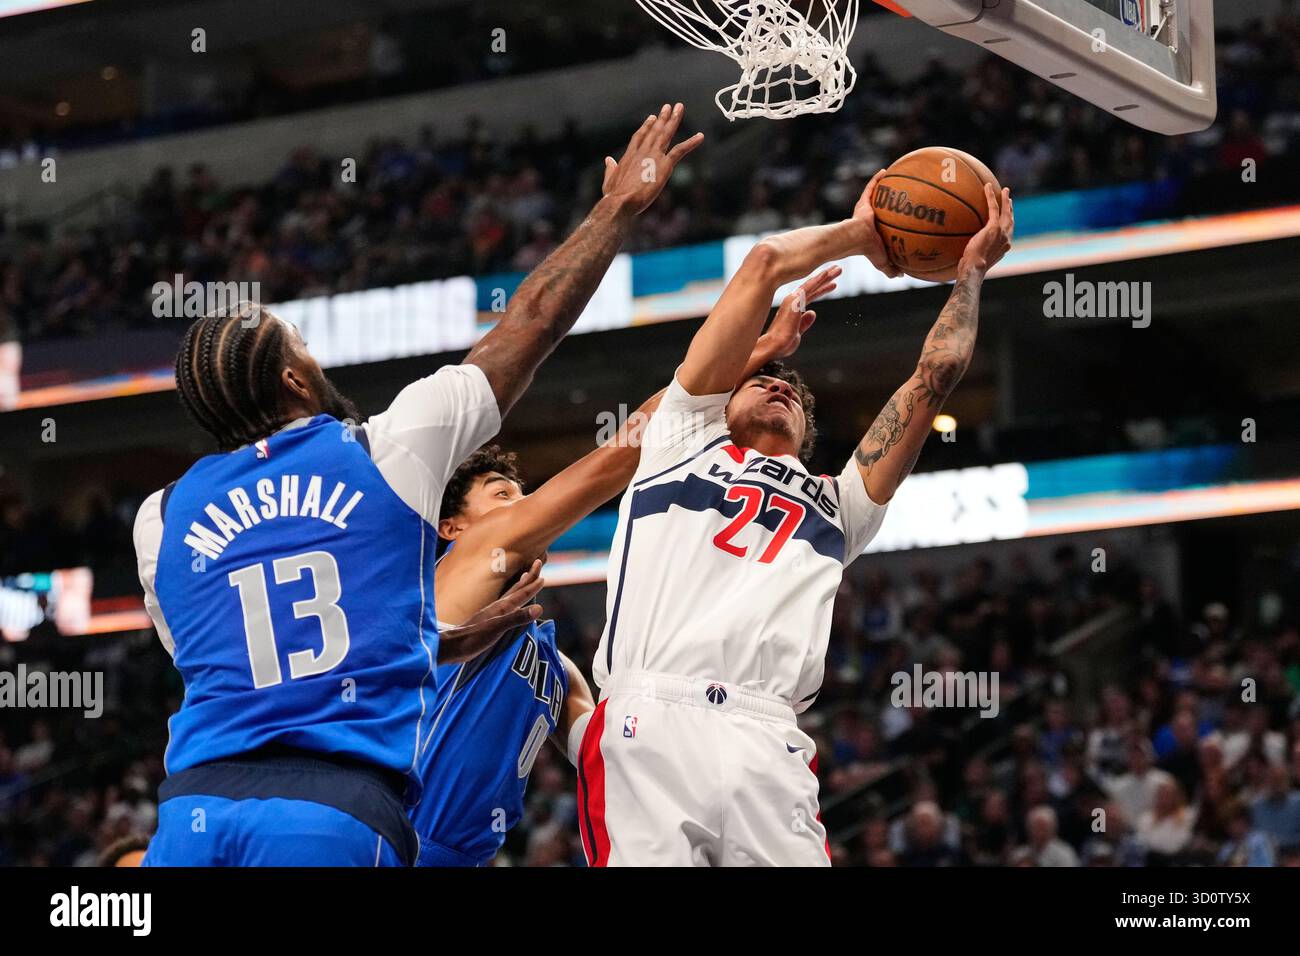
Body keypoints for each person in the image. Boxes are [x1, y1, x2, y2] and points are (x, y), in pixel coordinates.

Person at [131, 105, 702, 866]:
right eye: (305, 344)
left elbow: (233, 658)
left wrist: (447, 639)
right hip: (328, 810)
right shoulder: (385, 449)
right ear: (297, 380)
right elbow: (529, 324)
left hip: (192, 811)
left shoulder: (159, 519)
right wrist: (617, 208)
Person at [577, 171, 1015, 866]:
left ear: (808, 430)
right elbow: (761, 267)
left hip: (768, 738)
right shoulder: (676, 439)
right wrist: (860, 236)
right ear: (717, 402)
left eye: (794, 394)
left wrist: (970, 273)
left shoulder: (842, 505)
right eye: (762, 378)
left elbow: (934, 377)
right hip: (652, 717)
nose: (781, 383)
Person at [413, 269, 841, 866]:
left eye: (523, 492)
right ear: (452, 528)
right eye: (501, 495)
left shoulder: (544, 652)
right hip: (401, 831)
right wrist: (756, 349)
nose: (525, 507)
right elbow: (627, 447)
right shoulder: (436, 587)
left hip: (470, 853)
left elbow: (592, 727)